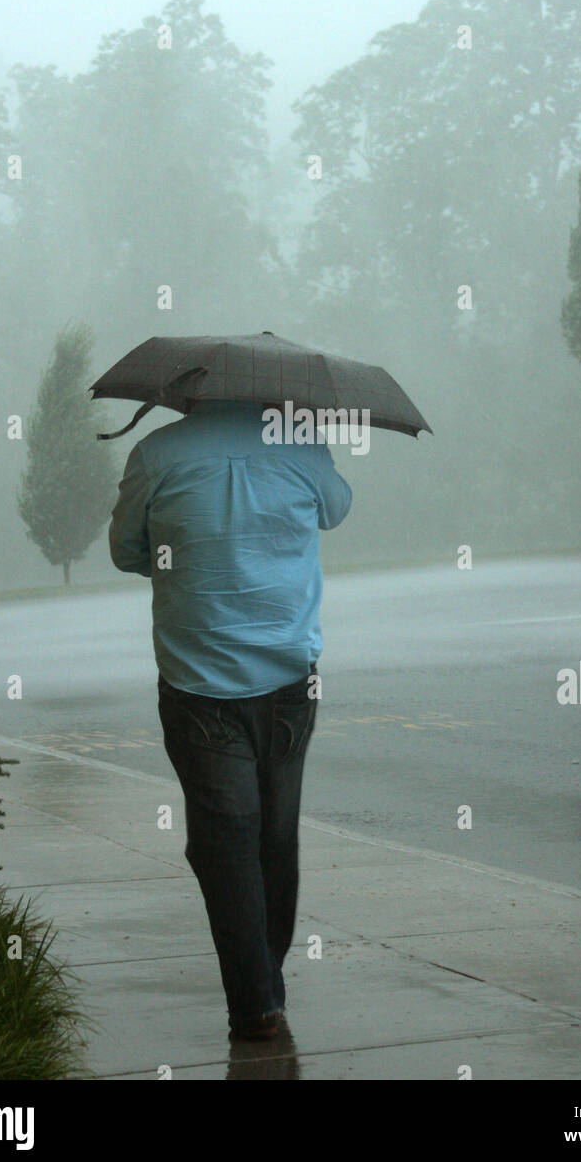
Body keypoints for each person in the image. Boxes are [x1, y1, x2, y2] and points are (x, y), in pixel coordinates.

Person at [108, 398, 352, 1040]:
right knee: (276, 833)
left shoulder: (156, 453)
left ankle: (256, 1003)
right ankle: (264, 980)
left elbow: (125, 550)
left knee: (225, 843)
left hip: (198, 683)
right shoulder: (302, 444)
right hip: (289, 680)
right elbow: (337, 508)